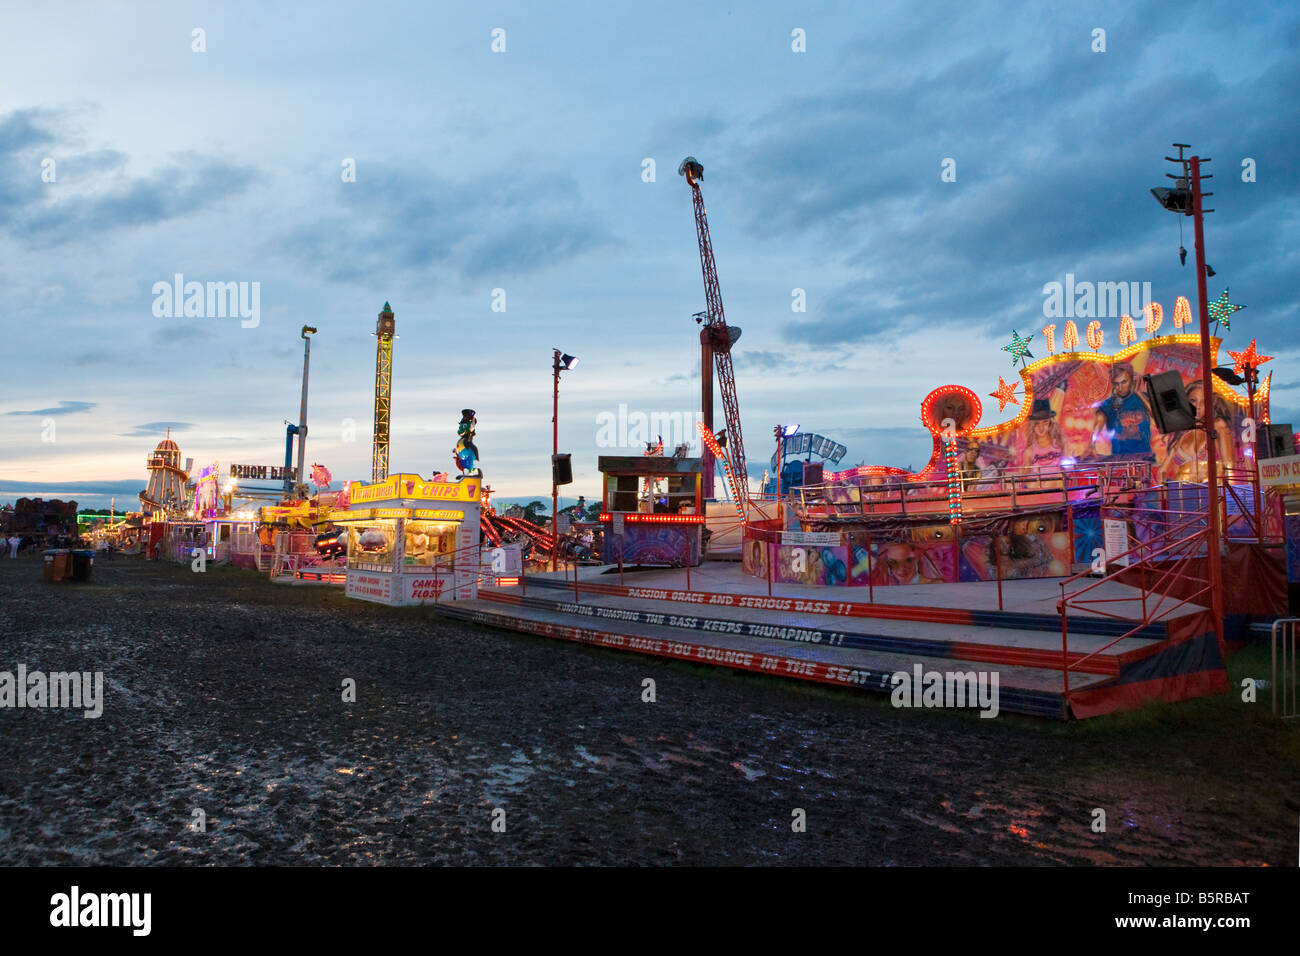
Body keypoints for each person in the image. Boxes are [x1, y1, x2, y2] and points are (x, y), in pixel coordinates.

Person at [1091, 362, 1153, 458]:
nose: (1120, 388)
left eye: (1124, 382)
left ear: (1132, 380)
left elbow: (1156, 415)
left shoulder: (1143, 398)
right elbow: (1099, 420)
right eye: (1116, 384)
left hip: (1144, 457)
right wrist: (1091, 445)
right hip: (1121, 458)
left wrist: (1138, 393)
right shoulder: (1109, 404)